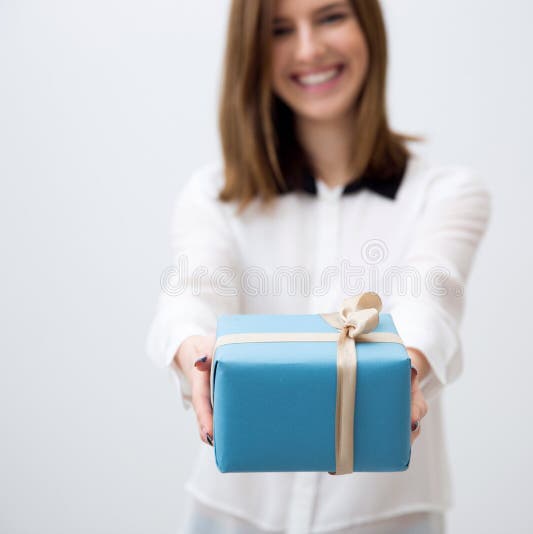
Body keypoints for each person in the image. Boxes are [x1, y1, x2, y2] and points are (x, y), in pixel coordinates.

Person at [145, 0, 492, 532]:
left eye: (330, 17)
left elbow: (431, 297)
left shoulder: (445, 194)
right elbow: (194, 287)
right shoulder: (212, 195)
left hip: (388, 515)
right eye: (281, 29)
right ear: (252, 51)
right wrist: (195, 351)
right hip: (233, 513)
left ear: (367, 25)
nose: (309, 49)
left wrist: (408, 371)